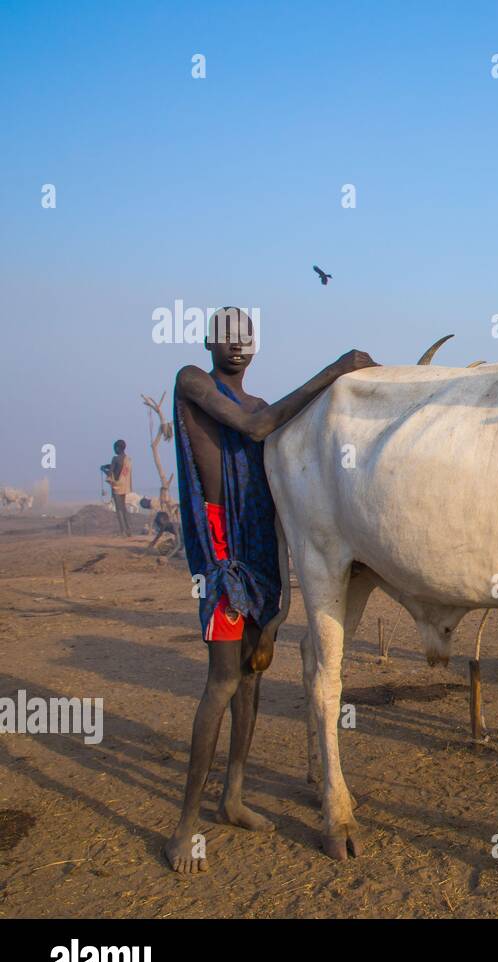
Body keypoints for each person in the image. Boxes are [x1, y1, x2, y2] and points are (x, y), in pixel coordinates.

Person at [163, 306, 376, 873]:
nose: (236, 346)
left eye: (245, 337)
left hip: (259, 544)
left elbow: (271, 428)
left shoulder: (260, 404)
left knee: (252, 677)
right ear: (209, 341)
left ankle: (232, 797)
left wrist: (281, 608)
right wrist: (333, 371)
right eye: (226, 337)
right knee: (223, 679)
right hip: (221, 547)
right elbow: (258, 430)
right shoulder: (193, 382)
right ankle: (183, 827)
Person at [101, 440, 133, 536]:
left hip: (117, 486)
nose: (114, 450)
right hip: (125, 486)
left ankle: (123, 531)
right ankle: (129, 530)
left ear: (118, 448)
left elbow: (110, 473)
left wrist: (103, 469)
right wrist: (108, 466)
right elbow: (119, 467)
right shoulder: (128, 459)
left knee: (119, 509)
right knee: (123, 508)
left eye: (114, 448)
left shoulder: (115, 459)